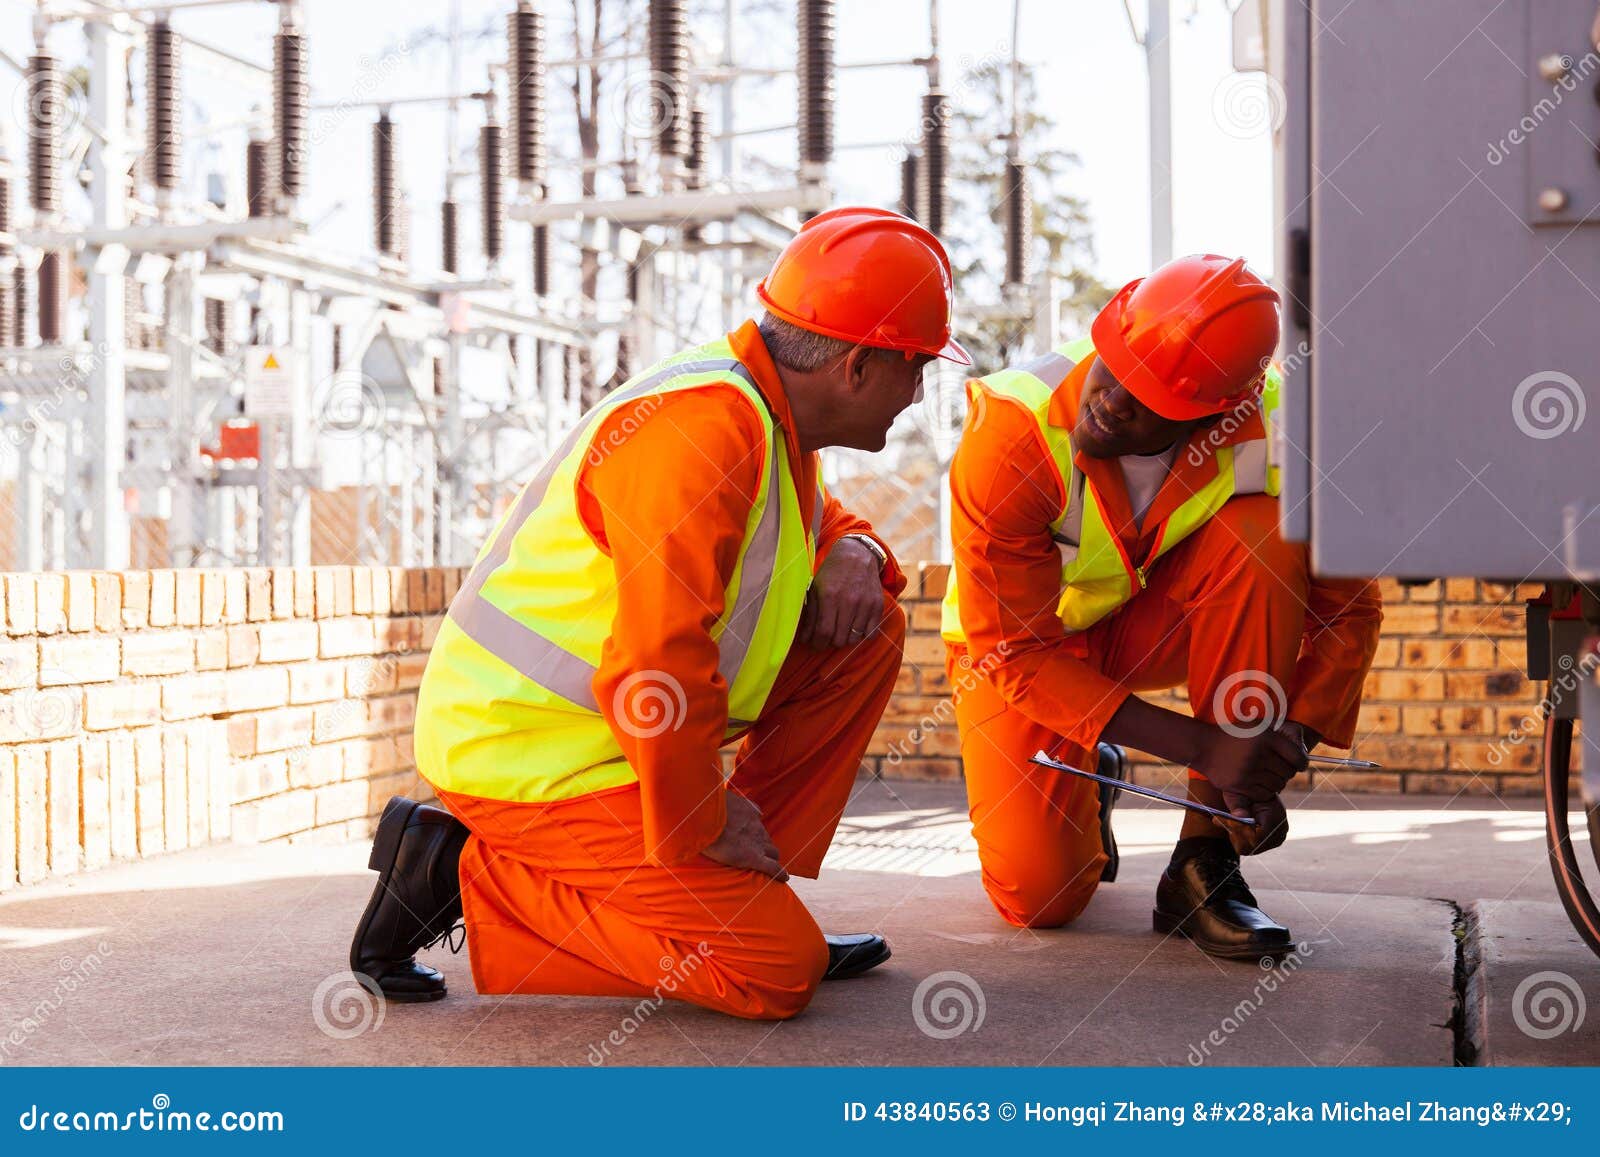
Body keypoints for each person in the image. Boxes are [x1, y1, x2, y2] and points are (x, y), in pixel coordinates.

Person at [349, 206, 971, 1018]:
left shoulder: (773, 419)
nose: (919, 391)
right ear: (855, 367)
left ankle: (740, 892)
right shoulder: (702, 430)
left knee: (869, 625)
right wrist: (704, 816)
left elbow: (809, 521)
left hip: (608, 736)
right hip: (527, 753)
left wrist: (858, 551)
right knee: (775, 973)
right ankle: (463, 870)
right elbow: (658, 662)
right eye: (915, 366)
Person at [941, 254, 1383, 959]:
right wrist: (1211, 744)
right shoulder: (1012, 431)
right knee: (1040, 897)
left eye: (1153, 402)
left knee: (1264, 536)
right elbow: (1014, 651)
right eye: (1116, 368)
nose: (1112, 400)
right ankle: (1101, 769)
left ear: (1215, 411)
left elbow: (1348, 609)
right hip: (1025, 654)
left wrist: (1279, 750)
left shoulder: (1275, 430)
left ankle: (1203, 858)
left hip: (1153, 629)